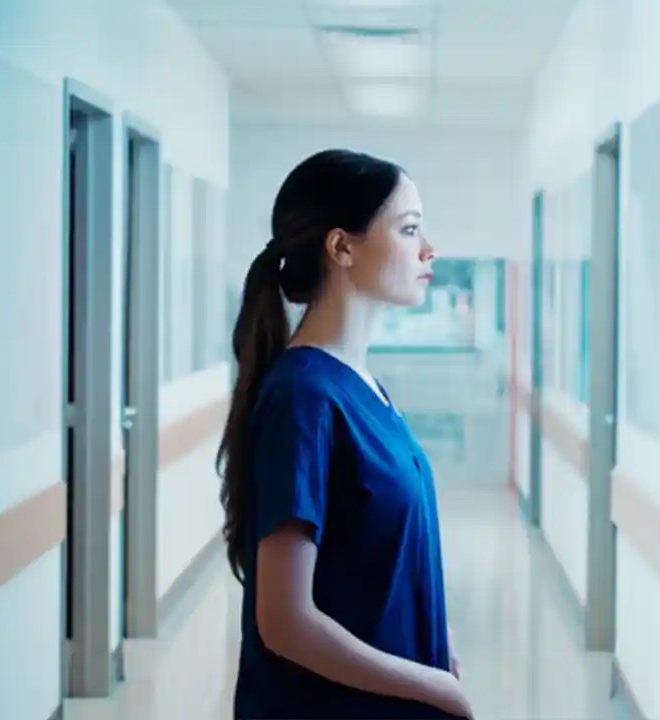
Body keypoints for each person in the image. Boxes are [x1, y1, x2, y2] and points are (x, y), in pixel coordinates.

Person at [217, 149, 473, 719]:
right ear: (342, 247)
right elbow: (286, 623)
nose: (429, 249)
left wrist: (438, 636)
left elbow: (373, 552)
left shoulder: (363, 386)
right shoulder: (304, 397)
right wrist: (437, 689)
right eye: (409, 230)